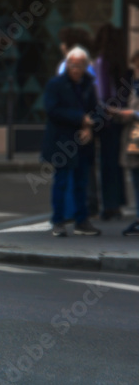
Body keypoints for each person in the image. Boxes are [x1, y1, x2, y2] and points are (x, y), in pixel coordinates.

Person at [43, 47, 101, 237]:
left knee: (81, 183)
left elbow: (95, 111)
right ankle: (58, 221)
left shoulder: (88, 85)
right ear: (67, 65)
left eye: (80, 65)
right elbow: (52, 110)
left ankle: (81, 220)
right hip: (62, 141)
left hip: (82, 142)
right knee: (61, 182)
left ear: (85, 67)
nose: (76, 69)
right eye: (73, 65)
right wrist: (80, 119)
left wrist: (89, 125)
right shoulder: (56, 85)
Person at [93, 24, 128, 220]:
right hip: (120, 117)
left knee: (106, 164)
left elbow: (103, 93)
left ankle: (109, 206)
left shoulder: (102, 61)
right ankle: (117, 203)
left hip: (106, 118)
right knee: (117, 163)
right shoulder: (120, 62)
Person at [112, 50, 139, 236]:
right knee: (136, 180)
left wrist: (132, 114)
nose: (136, 69)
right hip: (134, 139)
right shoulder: (133, 85)